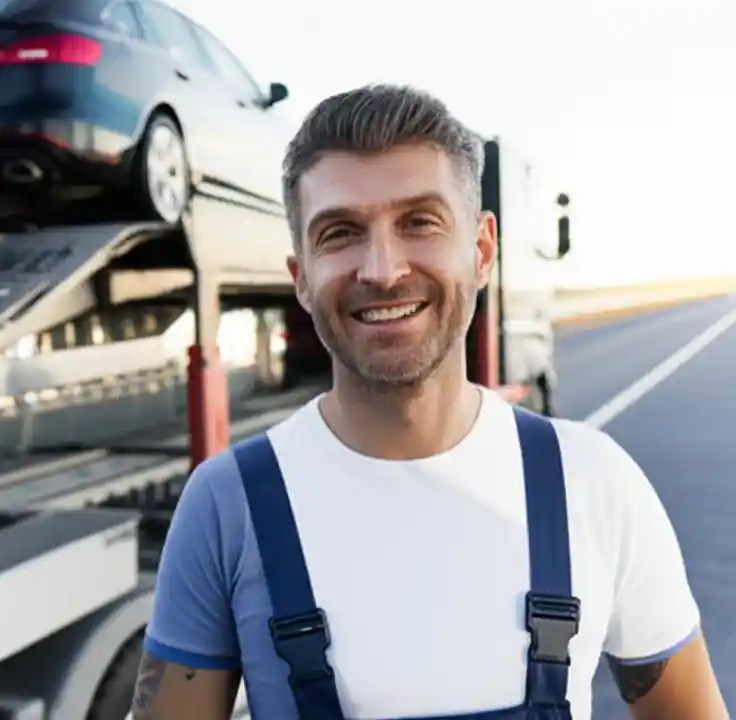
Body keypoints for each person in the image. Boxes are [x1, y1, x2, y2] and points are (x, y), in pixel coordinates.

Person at [131, 84, 727, 719]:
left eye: (420, 222)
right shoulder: (227, 505)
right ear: (300, 276)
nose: (383, 269)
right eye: (340, 233)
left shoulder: (597, 483)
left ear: (482, 250)